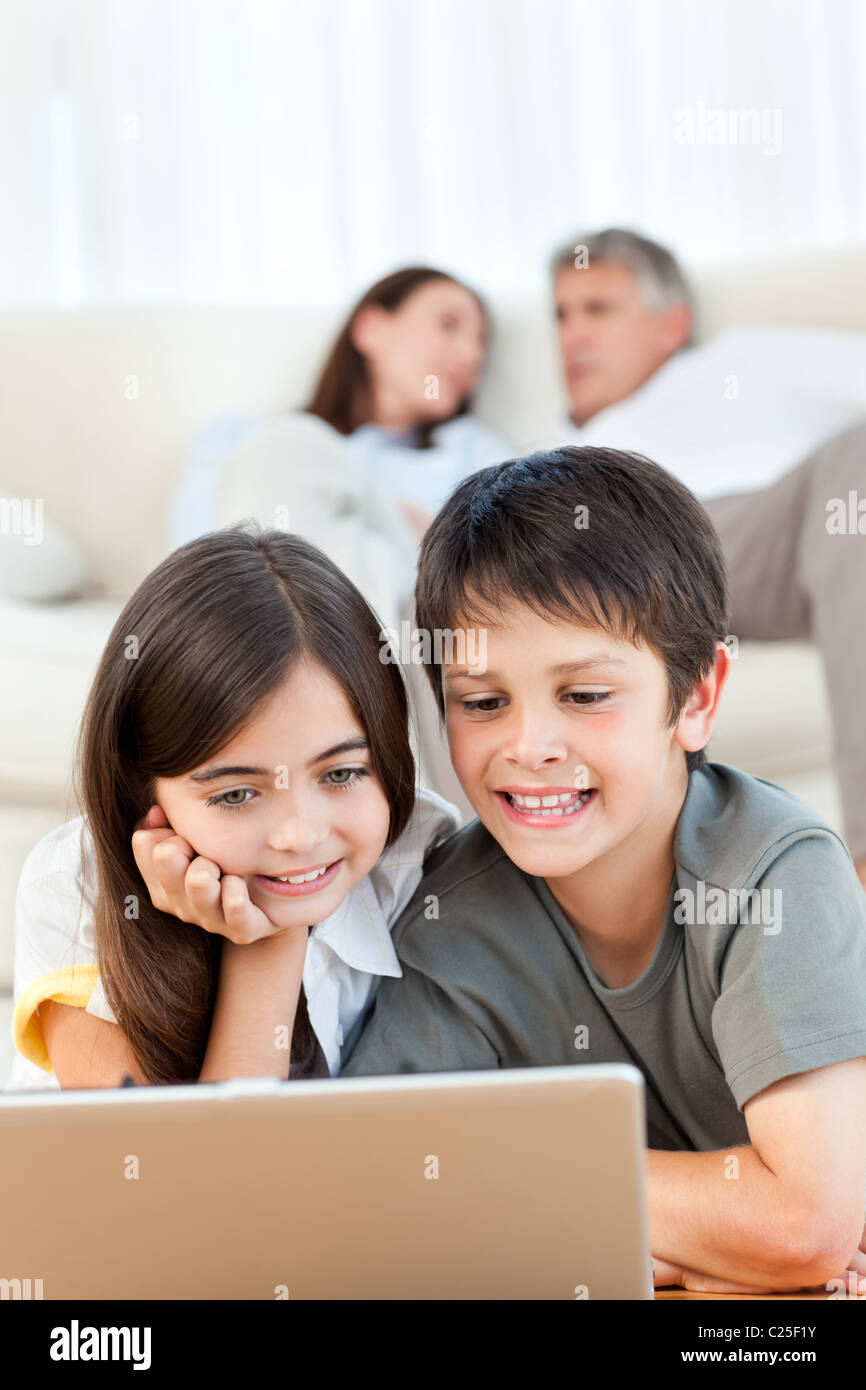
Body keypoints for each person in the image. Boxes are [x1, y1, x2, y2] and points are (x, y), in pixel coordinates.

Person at [332, 447, 866, 1295]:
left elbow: (803, 1226)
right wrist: (685, 1250)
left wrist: (521, 1179)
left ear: (695, 698)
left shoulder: (773, 876)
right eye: (482, 702)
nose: (529, 746)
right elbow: (377, 1196)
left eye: (583, 696)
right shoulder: (448, 924)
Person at [7, 526, 460, 1092]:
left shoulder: (427, 856)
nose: (299, 836)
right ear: (141, 785)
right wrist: (270, 946)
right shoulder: (73, 887)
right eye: (236, 795)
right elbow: (165, 1157)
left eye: (341, 774)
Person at [529, 227, 866, 888]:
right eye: (562, 315)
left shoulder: (742, 362)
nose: (572, 336)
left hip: (778, 530)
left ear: (671, 324)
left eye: (598, 309)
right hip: (627, 563)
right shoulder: (542, 450)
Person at [168, 266, 511, 553]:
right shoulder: (237, 436)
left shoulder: (475, 454)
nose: (472, 355)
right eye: (448, 325)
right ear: (371, 329)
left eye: (481, 343)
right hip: (255, 599)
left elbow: (510, 569)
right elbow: (196, 572)